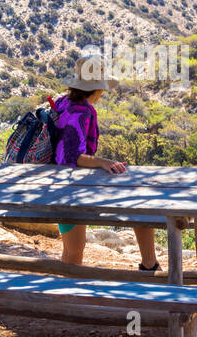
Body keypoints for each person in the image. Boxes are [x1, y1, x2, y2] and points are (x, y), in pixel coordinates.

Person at [52, 61, 159, 272]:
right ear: (97, 88)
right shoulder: (81, 112)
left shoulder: (63, 102)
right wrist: (104, 162)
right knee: (75, 250)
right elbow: (71, 156)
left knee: (72, 249)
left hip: (58, 183)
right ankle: (150, 267)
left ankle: (149, 265)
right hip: (72, 188)